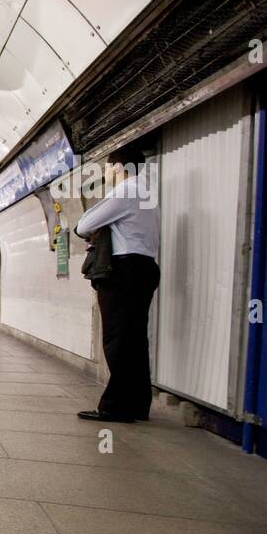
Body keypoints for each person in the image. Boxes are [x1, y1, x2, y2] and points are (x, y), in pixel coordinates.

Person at [73, 147, 161, 423]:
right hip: (144, 267)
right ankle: (137, 404)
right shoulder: (147, 194)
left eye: (108, 168)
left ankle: (115, 406)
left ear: (119, 167)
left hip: (123, 270)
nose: (107, 174)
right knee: (135, 339)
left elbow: (84, 224)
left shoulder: (125, 191)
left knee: (118, 339)